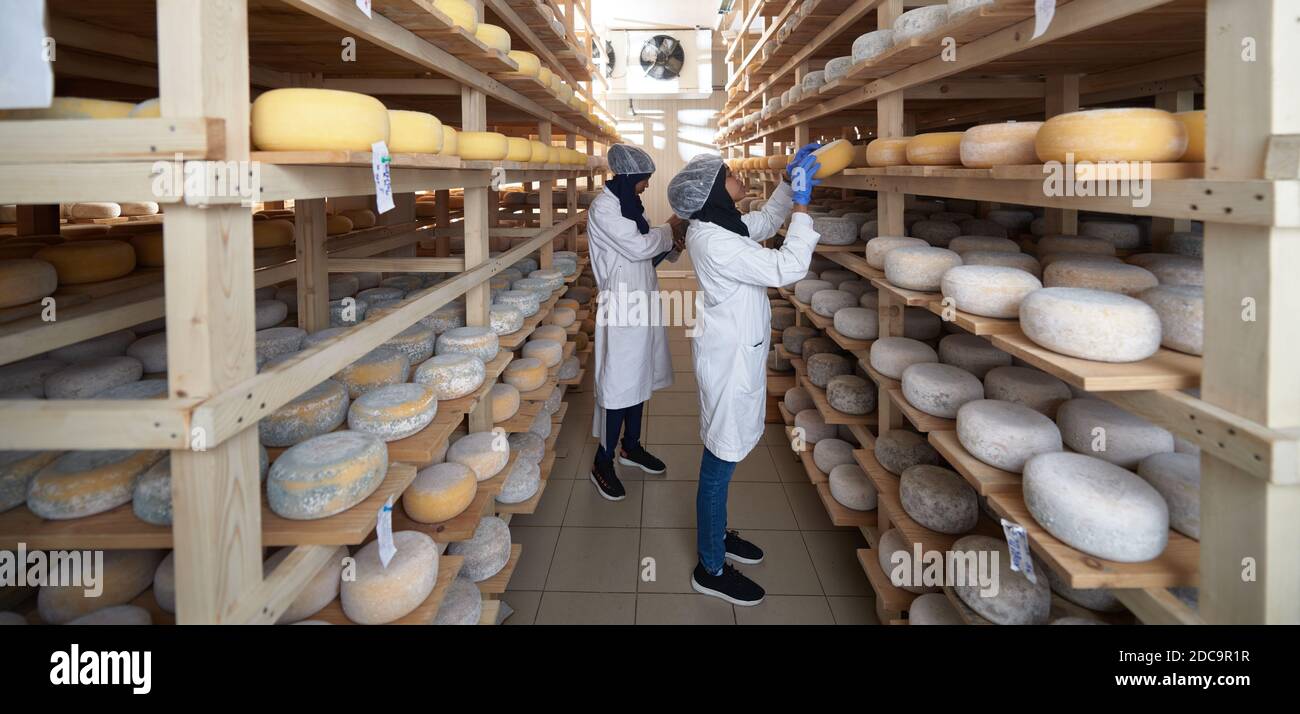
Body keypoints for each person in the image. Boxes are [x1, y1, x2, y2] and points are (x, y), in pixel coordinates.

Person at [666, 144, 823, 606]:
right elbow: (786, 267)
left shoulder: (719, 224)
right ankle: (710, 566)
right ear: (714, 190)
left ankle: (718, 534)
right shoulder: (715, 240)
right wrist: (802, 204)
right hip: (729, 361)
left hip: (734, 352)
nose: (738, 177)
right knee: (720, 460)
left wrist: (785, 184)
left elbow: (763, 223)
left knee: (726, 452)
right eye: (730, 175)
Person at [586, 144, 687, 501]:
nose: (646, 187)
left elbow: (645, 257)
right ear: (631, 177)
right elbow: (639, 248)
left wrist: (673, 241)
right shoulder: (604, 208)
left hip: (641, 302)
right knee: (619, 383)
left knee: (639, 376)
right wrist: (670, 226)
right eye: (644, 181)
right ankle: (603, 461)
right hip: (621, 308)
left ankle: (630, 447)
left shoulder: (629, 206)